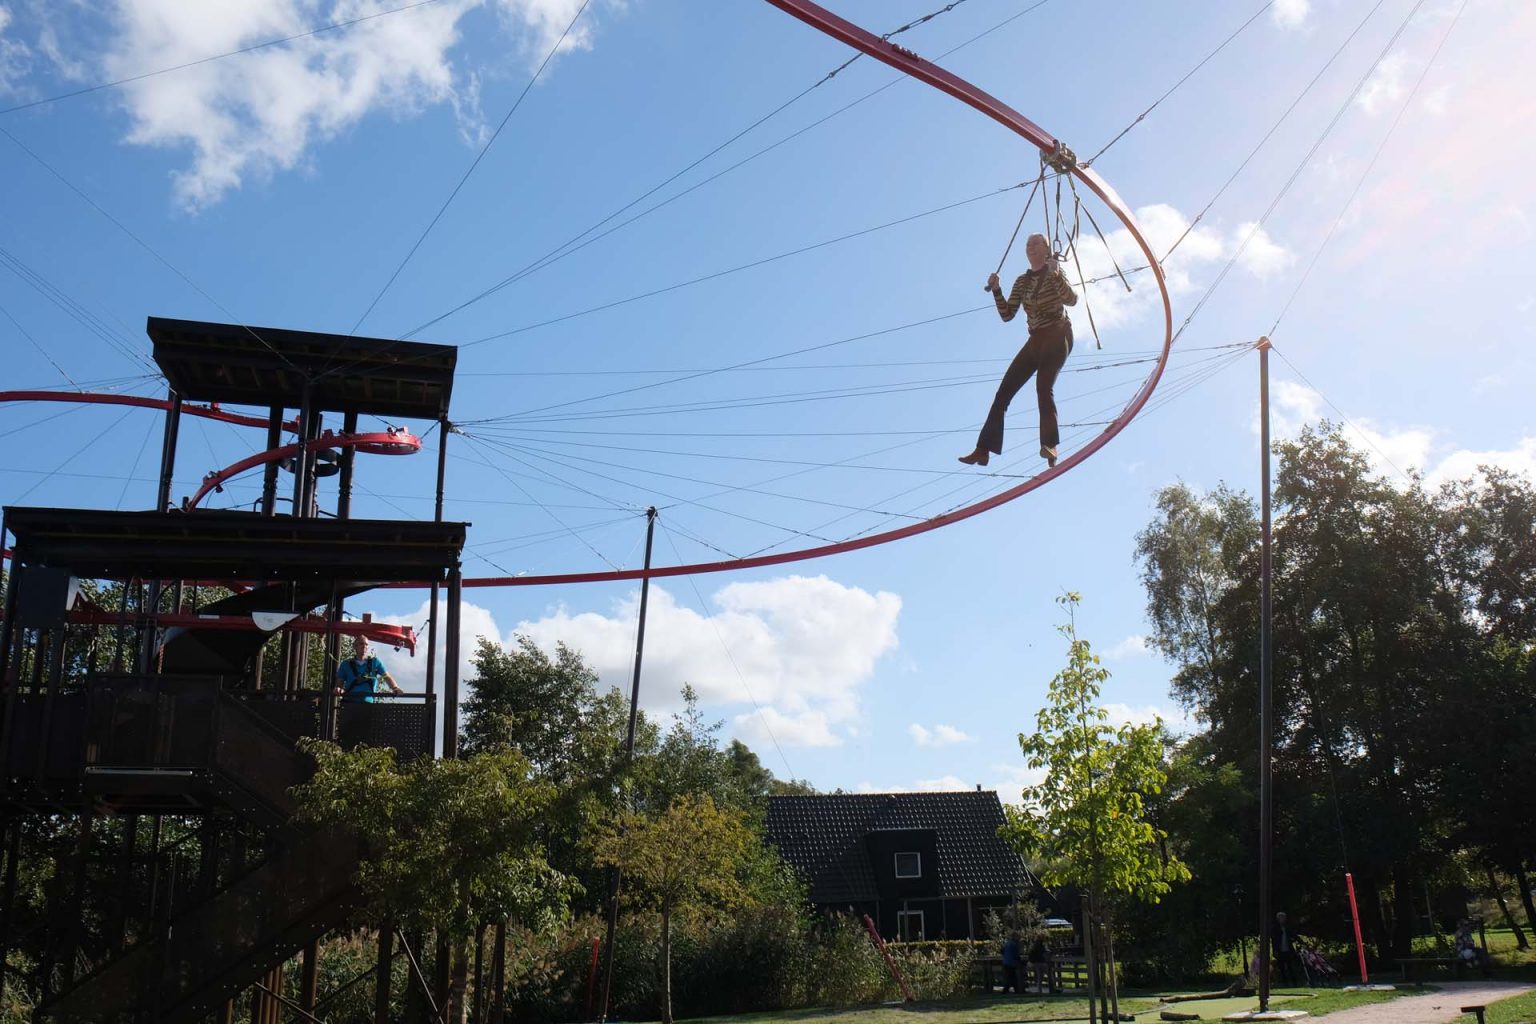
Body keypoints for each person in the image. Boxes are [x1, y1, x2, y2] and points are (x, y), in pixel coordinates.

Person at [958, 233, 1078, 469]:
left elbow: (1071, 300)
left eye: (1036, 243)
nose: (1030, 247)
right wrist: (996, 290)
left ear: (1046, 249)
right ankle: (983, 450)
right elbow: (1007, 315)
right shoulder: (1022, 281)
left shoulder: (1055, 271)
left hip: (1057, 334)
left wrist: (1055, 273)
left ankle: (1050, 445)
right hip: (1035, 340)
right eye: (1028, 244)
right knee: (1003, 394)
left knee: (1044, 387)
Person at [335, 635, 403, 704]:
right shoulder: (346, 664)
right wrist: (338, 689)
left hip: (368, 704)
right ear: (355, 646)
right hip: (349, 703)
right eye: (361, 644)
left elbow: (387, 676)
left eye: (366, 644)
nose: (364, 646)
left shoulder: (375, 662)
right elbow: (339, 684)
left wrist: (395, 688)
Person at [1272, 911, 1300, 986]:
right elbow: (1274, 940)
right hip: (1280, 951)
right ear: (1278, 919)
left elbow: (1294, 935)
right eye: (1281, 918)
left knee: (1290, 967)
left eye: (1284, 918)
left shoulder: (1287, 927)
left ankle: (1294, 983)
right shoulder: (1275, 928)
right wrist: (1275, 951)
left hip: (1288, 950)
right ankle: (1285, 983)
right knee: (1282, 968)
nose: (1282, 919)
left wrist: (1300, 941)